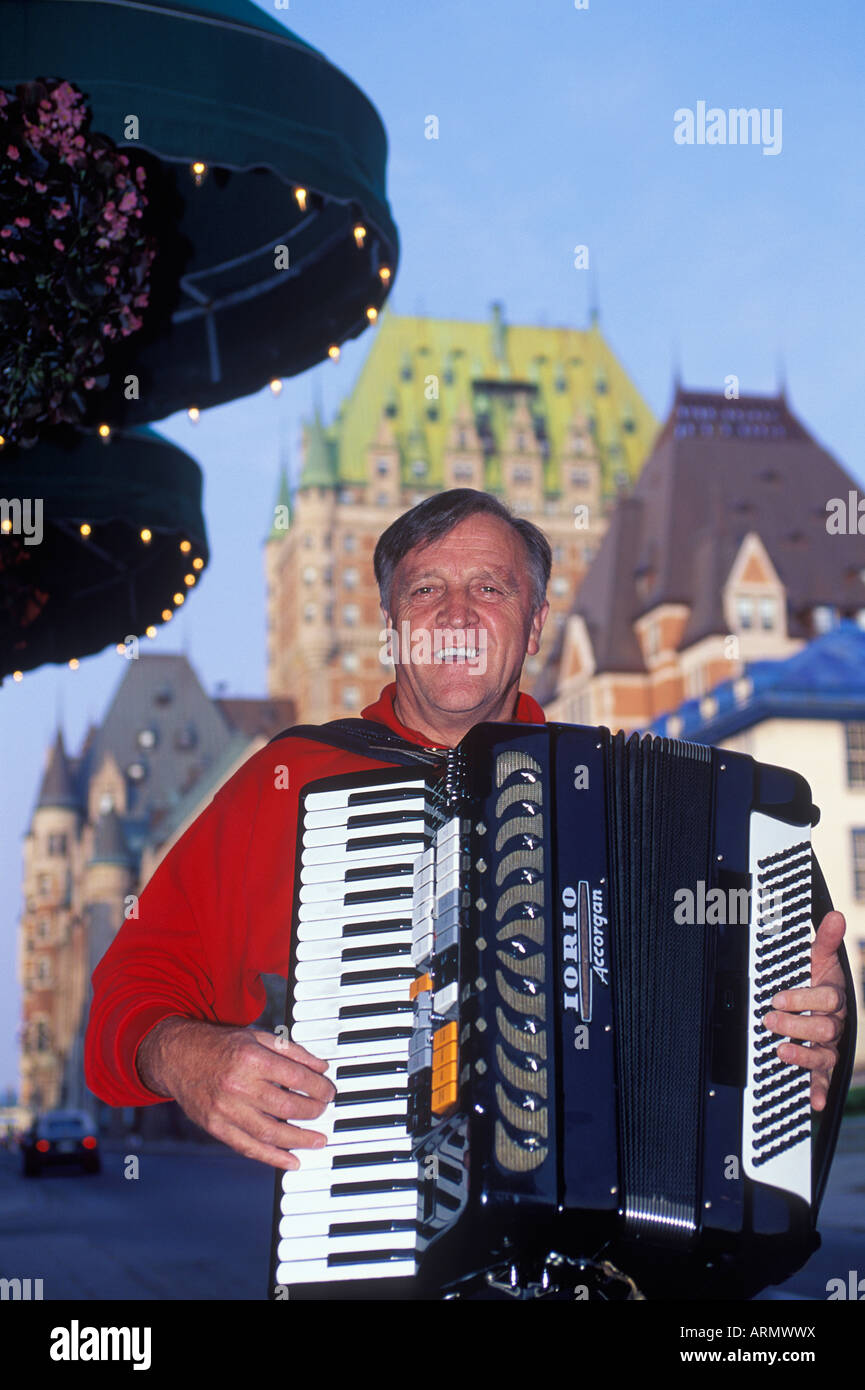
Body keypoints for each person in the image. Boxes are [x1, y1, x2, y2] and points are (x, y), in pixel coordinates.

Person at [84, 489, 849, 1171]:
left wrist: (812, 1027)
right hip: (373, 1232)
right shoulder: (291, 780)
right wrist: (184, 1056)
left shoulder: (641, 803)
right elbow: (127, 992)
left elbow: (763, 1025)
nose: (455, 615)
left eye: (489, 587)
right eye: (425, 590)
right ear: (390, 628)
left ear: (536, 623)